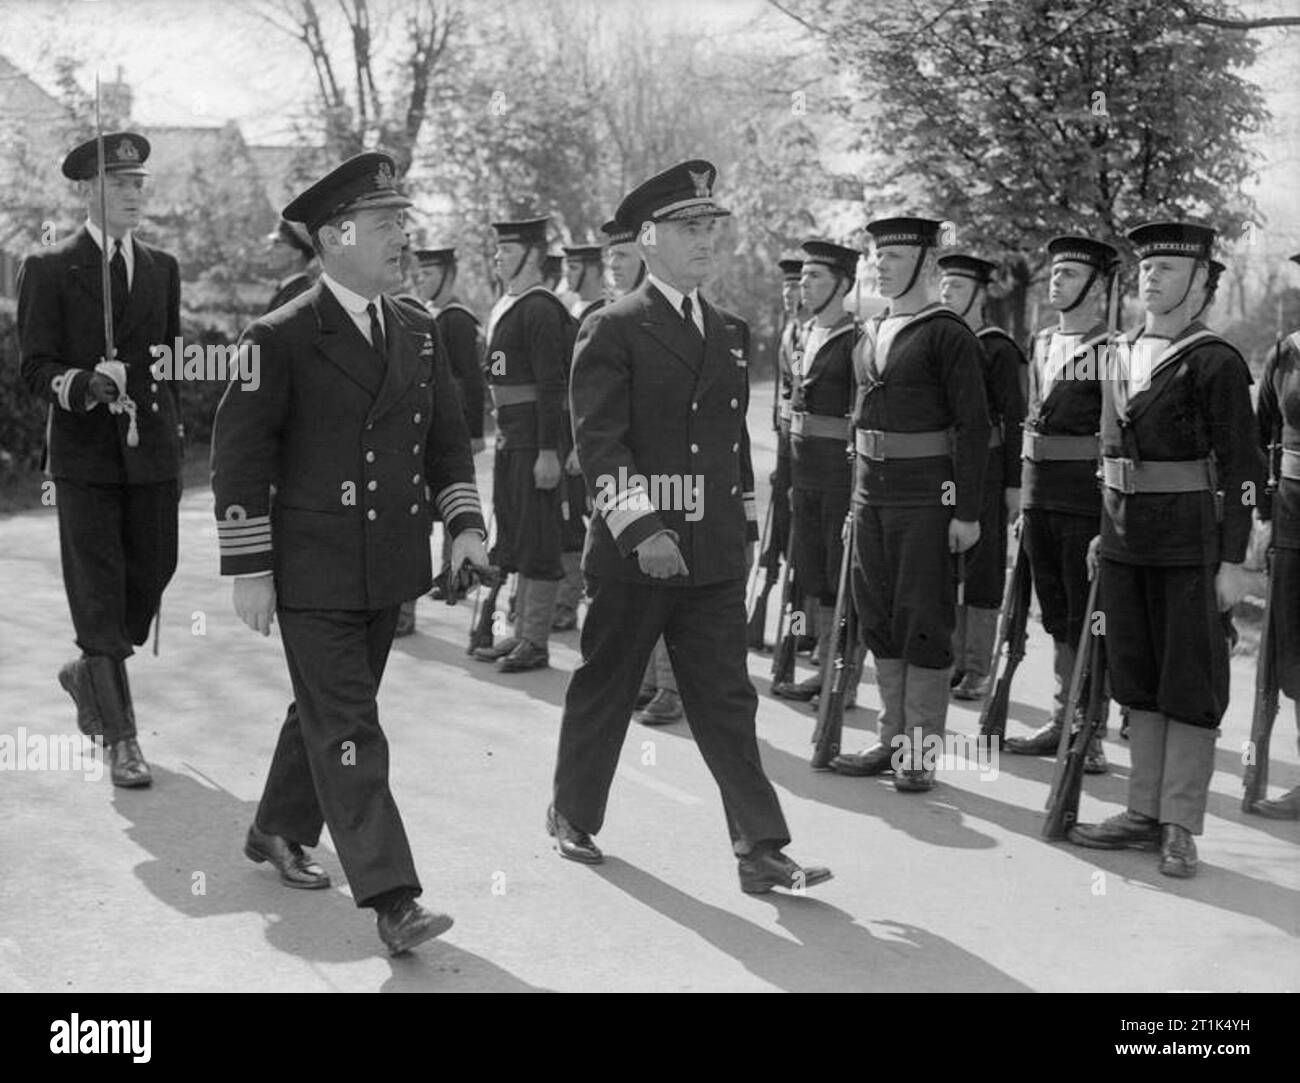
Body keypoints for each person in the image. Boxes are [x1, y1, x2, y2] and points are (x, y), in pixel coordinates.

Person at [211, 151, 488, 953]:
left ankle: (273, 826)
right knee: (352, 727)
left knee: (328, 712)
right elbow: (240, 457)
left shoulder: (417, 328)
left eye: (403, 221)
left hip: (388, 566)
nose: (402, 238)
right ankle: (394, 899)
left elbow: (445, 444)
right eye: (384, 224)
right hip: (311, 569)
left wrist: (465, 525)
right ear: (334, 237)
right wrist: (251, 568)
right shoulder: (281, 334)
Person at [548, 159, 831, 895]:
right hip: (636, 551)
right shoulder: (611, 327)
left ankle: (761, 847)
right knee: (606, 687)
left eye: (714, 226)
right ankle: (572, 814)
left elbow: (730, 443)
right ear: (648, 239)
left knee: (727, 699)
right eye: (690, 227)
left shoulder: (731, 331)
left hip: (708, 553)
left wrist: (740, 523)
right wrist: (644, 530)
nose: (708, 239)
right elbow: (598, 445)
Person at [1068, 222, 1260, 878]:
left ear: (1202, 283)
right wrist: (1104, 529)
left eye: (1170, 269)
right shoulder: (1117, 352)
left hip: (1190, 545)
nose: (1152, 277)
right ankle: (1141, 811)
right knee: (1137, 675)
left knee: (1191, 680)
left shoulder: (1216, 360)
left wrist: (1234, 562)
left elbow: (1241, 469)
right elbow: (1109, 456)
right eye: (1147, 267)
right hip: (1126, 541)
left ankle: (1180, 822)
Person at [18, 130, 182, 789]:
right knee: (97, 590)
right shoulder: (50, 267)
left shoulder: (163, 268)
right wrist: (84, 383)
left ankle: (90, 670)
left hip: (152, 453)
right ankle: (122, 738)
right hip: (85, 459)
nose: (135, 193)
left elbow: (169, 358)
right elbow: (34, 366)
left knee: (153, 568)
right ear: (88, 190)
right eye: (120, 183)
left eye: (140, 183)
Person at [828, 216, 990, 791]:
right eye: (877, 256)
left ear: (925, 262)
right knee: (880, 617)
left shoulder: (948, 334)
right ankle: (890, 737)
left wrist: (966, 512)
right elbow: (859, 424)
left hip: (928, 498)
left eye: (894, 256)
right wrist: (855, 500)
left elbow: (975, 428)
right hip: (872, 495)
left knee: (923, 619)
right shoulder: (870, 330)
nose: (881, 265)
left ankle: (918, 750)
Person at [1004, 236, 1117, 772]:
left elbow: (1118, 439)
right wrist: (1022, 502)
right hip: (1039, 496)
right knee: (1053, 614)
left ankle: (1089, 728)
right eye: (1055, 271)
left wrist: (1108, 518)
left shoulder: (1116, 349)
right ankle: (1062, 715)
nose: (1056, 280)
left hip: (1084, 499)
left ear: (1098, 287)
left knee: (1087, 614)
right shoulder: (1042, 340)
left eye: (1071, 274)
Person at [471, 217, 576, 671]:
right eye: (498, 251)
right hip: (512, 438)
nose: (499, 258)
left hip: (535, 441)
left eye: (509, 251)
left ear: (533, 256)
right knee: (514, 535)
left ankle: (535, 639)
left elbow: (552, 386)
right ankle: (517, 633)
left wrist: (549, 451)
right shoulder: (507, 305)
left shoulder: (540, 309)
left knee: (539, 538)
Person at [771, 238, 863, 705]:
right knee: (816, 575)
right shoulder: (803, 334)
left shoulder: (857, 340)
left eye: (816, 277)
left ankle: (840, 678)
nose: (804, 285)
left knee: (841, 575)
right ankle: (825, 665)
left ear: (843, 285)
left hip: (841, 476)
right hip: (804, 474)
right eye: (803, 277)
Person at [936, 253, 1027, 702]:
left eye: (956, 286)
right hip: (945, 465)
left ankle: (976, 665)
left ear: (980, 293)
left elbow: (1015, 421)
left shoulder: (999, 348)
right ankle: (951, 657)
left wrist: (1014, 484)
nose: (946, 293)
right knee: (948, 562)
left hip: (989, 470)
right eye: (944, 285)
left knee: (984, 566)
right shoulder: (939, 339)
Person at [1250, 250, 1300, 820]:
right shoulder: (1286, 353)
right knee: (1296, 654)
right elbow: (1259, 438)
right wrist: (1261, 514)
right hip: (1293, 516)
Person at [412, 247, 487, 603]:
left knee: (452, 501)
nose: (421, 280)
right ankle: (450, 574)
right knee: (436, 502)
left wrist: (473, 432)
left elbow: (471, 380)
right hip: (435, 425)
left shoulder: (456, 320)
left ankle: (456, 575)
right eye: (420, 274)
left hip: (451, 427)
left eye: (429, 274)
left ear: (448, 275)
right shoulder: (436, 317)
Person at [552, 244, 607, 632]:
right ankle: (565, 598)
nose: (568, 273)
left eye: (574, 265)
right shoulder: (569, 309)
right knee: (564, 519)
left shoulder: (602, 312)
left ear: (590, 268)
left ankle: (573, 600)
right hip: (563, 427)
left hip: (585, 434)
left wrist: (577, 444)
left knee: (584, 520)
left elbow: (595, 389)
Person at [263, 218, 316, 314]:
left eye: (277, 245)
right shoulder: (288, 289)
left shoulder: (302, 296)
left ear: (296, 254)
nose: (268, 250)